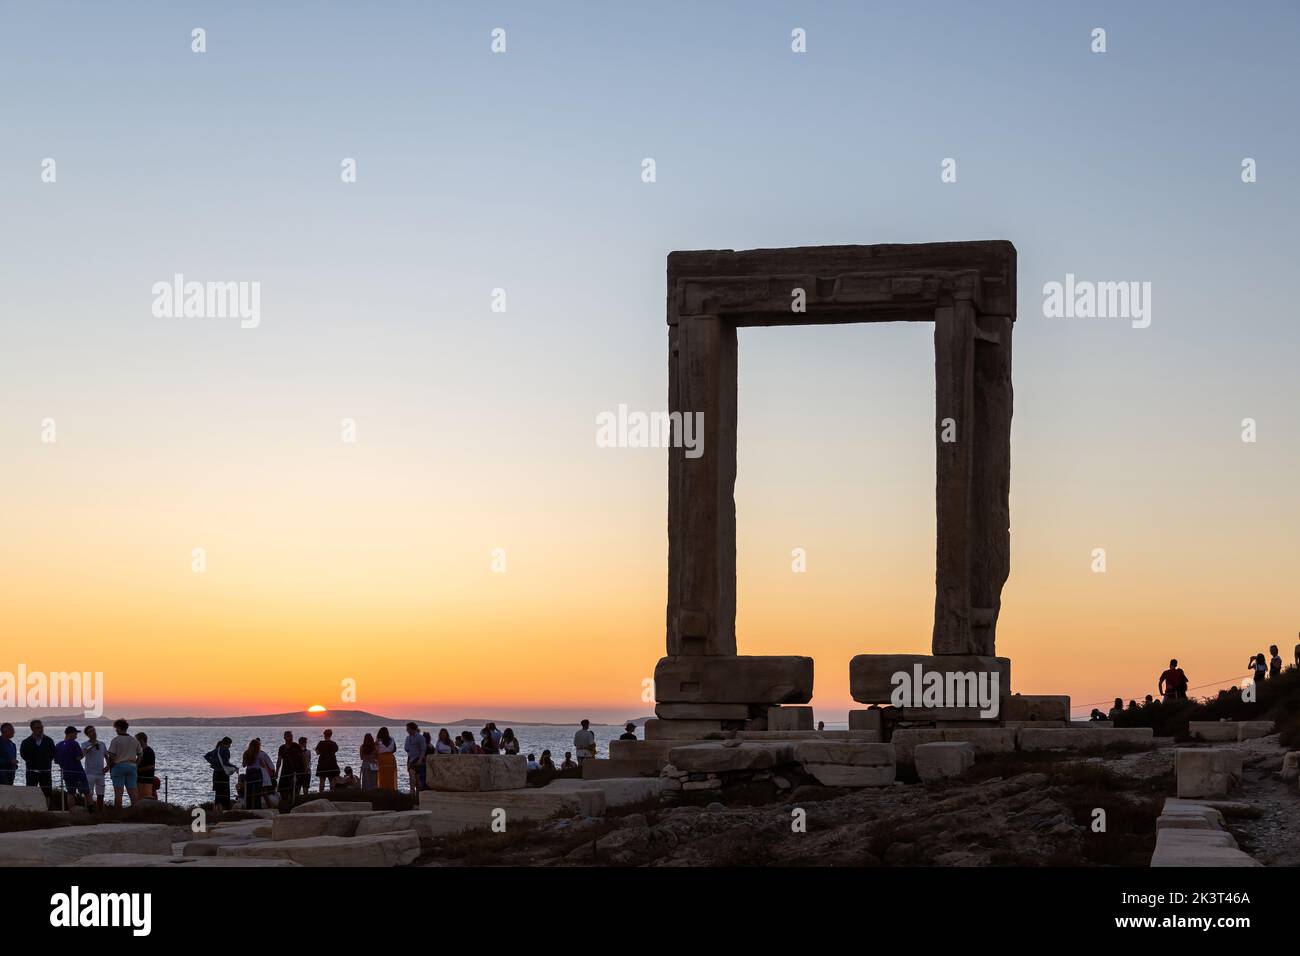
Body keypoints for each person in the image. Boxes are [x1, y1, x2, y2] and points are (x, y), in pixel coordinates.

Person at [106, 718, 141, 808]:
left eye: (116, 728)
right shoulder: (134, 740)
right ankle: (136, 813)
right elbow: (140, 754)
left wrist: (111, 767)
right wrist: (136, 764)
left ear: (118, 728)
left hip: (119, 767)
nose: (116, 730)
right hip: (132, 767)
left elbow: (111, 756)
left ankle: (118, 813)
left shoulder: (116, 740)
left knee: (118, 793)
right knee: (133, 793)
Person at [54, 727, 89, 808]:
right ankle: (90, 812)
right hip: (77, 772)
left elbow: (56, 761)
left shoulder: (58, 745)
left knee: (70, 793)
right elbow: (78, 757)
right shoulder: (74, 743)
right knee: (87, 792)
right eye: (75, 733)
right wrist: (85, 752)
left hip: (66, 773)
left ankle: (71, 812)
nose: (76, 735)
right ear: (71, 733)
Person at [19, 719, 55, 796]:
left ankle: (47, 808)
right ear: (32, 729)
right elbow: (23, 755)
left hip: (46, 771)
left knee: (47, 793)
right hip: (31, 771)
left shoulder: (49, 741)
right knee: (30, 792)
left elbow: (53, 753)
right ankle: (31, 808)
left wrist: (45, 761)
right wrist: (32, 762)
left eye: (41, 727)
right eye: (37, 728)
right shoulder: (26, 742)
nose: (40, 729)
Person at [242, 738, 274, 810]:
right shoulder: (259, 754)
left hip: (249, 772)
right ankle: (257, 808)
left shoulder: (246, 753)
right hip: (257, 772)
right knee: (257, 792)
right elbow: (262, 765)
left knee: (249, 791)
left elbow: (244, 765)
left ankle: (248, 808)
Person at [275, 731, 305, 808]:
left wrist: (303, 769)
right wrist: (277, 771)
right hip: (285, 771)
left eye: (291, 736)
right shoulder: (282, 748)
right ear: (284, 737)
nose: (290, 738)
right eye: (288, 736)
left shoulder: (296, 746)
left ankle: (295, 805)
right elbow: (279, 760)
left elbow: (303, 757)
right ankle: (285, 806)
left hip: (296, 771)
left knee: (295, 790)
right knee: (283, 790)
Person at [205, 736, 235, 810]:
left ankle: (216, 810)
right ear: (227, 743)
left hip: (216, 774)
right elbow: (226, 763)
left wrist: (213, 763)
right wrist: (235, 767)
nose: (230, 746)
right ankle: (225, 809)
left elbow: (206, 756)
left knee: (218, 793)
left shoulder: (216, 750)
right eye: (230, 744)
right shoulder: (226, 750)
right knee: (225, 792)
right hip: (223, 774)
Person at [82, 726, 107, 811]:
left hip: (100, 774)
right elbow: (83, 754)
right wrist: (92, 745)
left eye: (94, 730)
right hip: (89, 773)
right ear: (87, 734)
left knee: (101, 795)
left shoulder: (102, 744)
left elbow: (106, 756)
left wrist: (107, 767)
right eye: (91, 731)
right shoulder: (85, 744)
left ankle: (101, 813)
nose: (93, 732)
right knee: (89, 795)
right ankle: (88, 813)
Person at [403, 722, 427, 793]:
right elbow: (406, 748)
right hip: (410, 759)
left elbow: (423, 749)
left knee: (417, 779)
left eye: (408, 729)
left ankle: (418, 794)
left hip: (418, 759)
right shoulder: (407, 738)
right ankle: (412, 793)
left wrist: (420, 760)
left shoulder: (420, 737)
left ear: (412, 729)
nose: (407, 730)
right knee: (412, 776)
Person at [135, 732, 156, 800]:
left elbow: (151, 766)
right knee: (139, 797)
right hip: (140, 778)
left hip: (147, 779)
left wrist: (139, 770)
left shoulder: (149, 751)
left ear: (141, 740)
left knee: (146, 796)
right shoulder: (140, 751)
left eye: (136, 740)